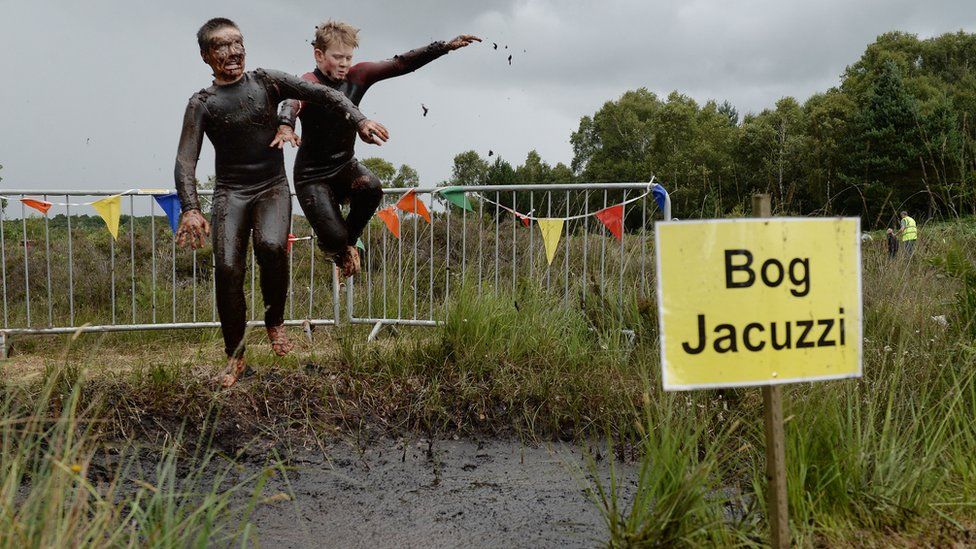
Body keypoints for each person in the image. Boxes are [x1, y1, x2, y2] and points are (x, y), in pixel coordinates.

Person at [175, 17, 389, 387]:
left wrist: (359, 120)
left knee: (272, 246)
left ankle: (274, 319)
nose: (233, 52)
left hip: (271, 188)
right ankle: (235, 357)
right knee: (227, 268)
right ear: (206, 55)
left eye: (238, 43)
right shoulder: (202, 103)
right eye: (222, 46)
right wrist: (191, 207)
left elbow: (327, 94)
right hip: (230, 193)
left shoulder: (266, 81)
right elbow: (185, 160)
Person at [272, 20, 480, 277]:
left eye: (348, 57)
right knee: (335, 237)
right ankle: (336, 245)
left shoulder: (358, 75)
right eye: (337, 57)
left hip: (344, 166)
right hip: (312, 176)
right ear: (319, 55)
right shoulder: (309, 81)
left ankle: (348, 244)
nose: (344, 63)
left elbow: (400, 64)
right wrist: (286, 125)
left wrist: (443, 47)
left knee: (371, 188)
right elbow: (292, 101)